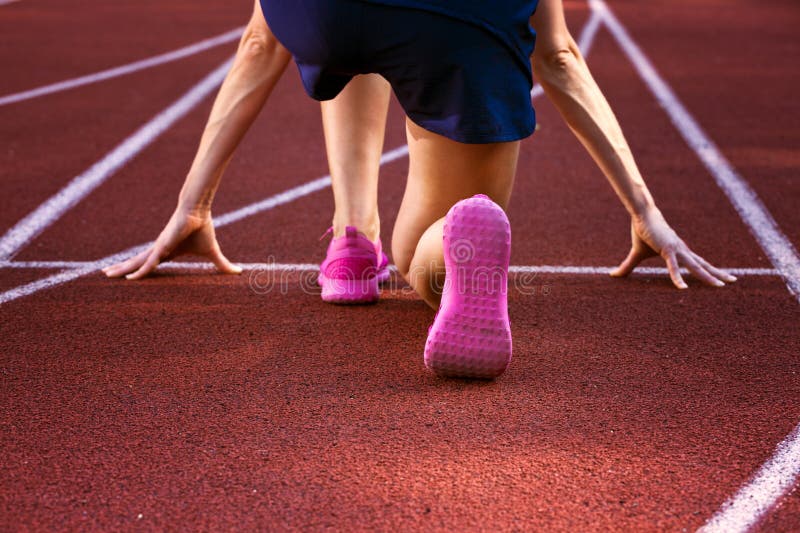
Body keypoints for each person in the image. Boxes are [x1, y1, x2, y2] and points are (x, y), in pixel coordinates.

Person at [104, 0, 735, 378]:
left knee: (353, 40)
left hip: (328, 12)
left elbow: (257, 42)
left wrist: (194, 204)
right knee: (436, 238)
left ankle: (351, 241)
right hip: (458, 21)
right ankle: (445, 253)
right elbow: (560, 57)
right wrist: (644, 209)